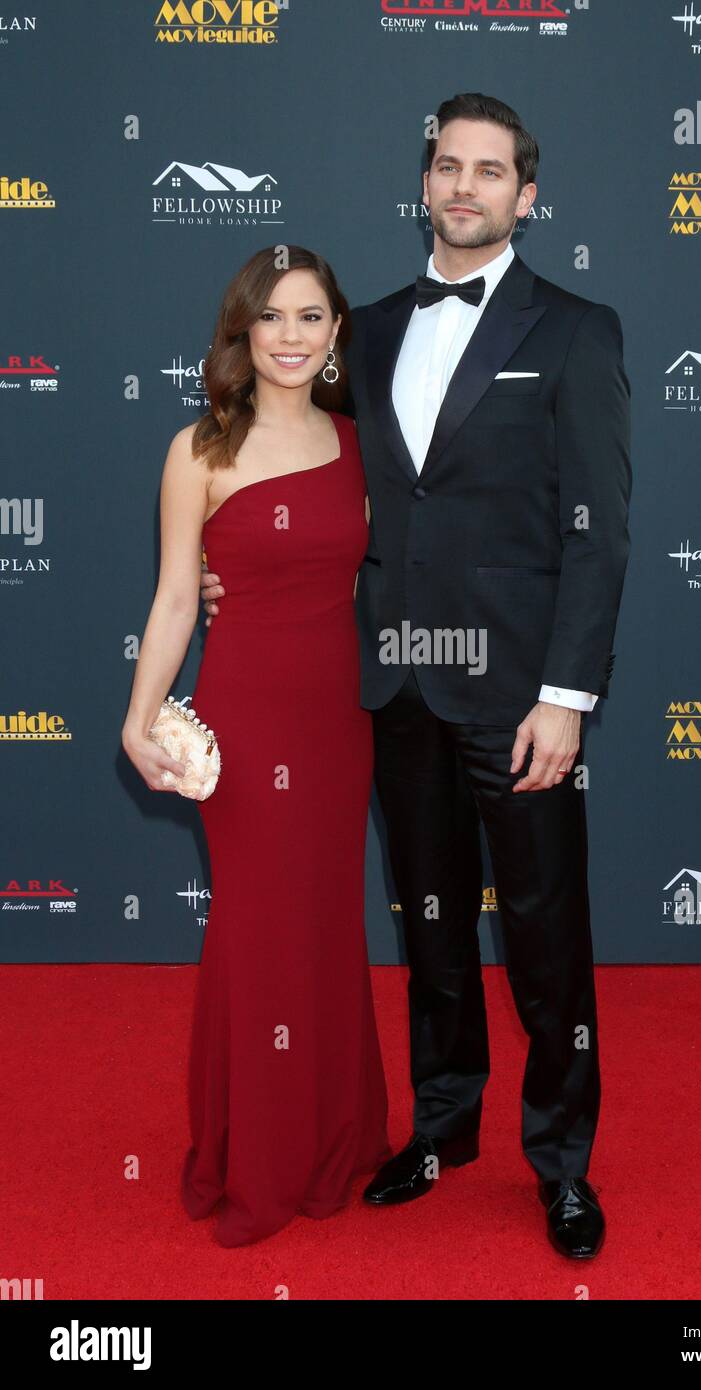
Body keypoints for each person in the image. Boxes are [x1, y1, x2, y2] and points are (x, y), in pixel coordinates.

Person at [202, 93, 632, 1259]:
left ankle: (561, 1161)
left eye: (490, 172)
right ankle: (442, 1128)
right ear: (425, 182)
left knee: (544, 935)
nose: (465, 188)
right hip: (392, 684)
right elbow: (307, 475)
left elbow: (597, 532)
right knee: (434, 927)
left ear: (524, 196)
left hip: (518, 696)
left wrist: (567, 694)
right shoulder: (372, 329)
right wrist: (214, 562)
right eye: (449, 166)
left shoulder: (576, 331)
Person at [122, 246, 390, 1248]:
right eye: (270, 317)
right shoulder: (199, 449)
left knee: (323, 920)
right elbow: (176, 596)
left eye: (310, 317)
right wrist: (137, 714)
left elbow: (389, 574)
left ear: (334, 334)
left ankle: (336, 1135)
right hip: (245, 718)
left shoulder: (362, 445)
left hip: (336, 718)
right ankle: (258, 1158)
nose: (290, 336)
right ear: (240, 330)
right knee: (258, 927)